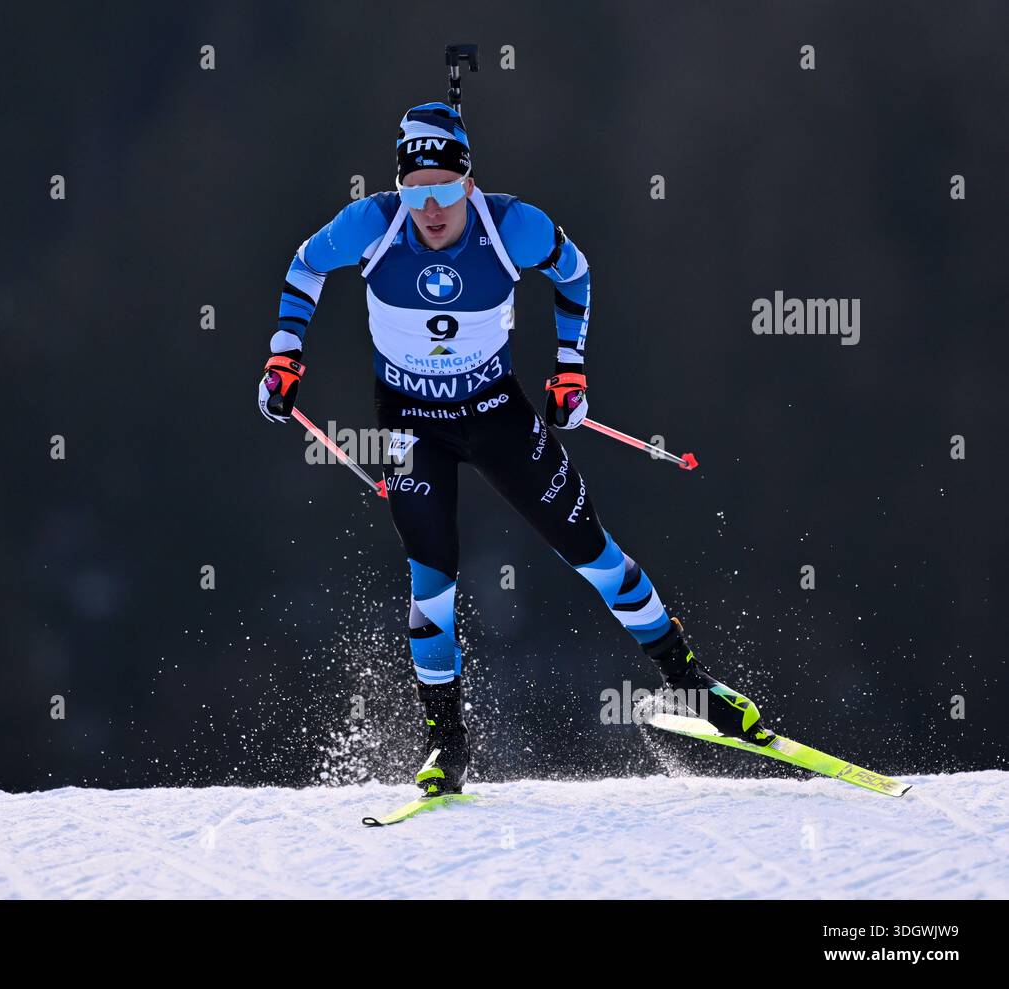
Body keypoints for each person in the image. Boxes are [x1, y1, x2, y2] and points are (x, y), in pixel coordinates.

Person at [258, 102, 768, 797]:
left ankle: (689, 681)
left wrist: (570, 371)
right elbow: (305, 265)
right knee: (430, 579)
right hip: (410, 423)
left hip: (496, 412)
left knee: (591, 550)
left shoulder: (513, 228)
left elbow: (576, 274)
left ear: (469, 185)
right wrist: (283, 359)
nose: (428, 210)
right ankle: (446, 746)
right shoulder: (372, 226)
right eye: (414, 192)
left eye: (442, 191)